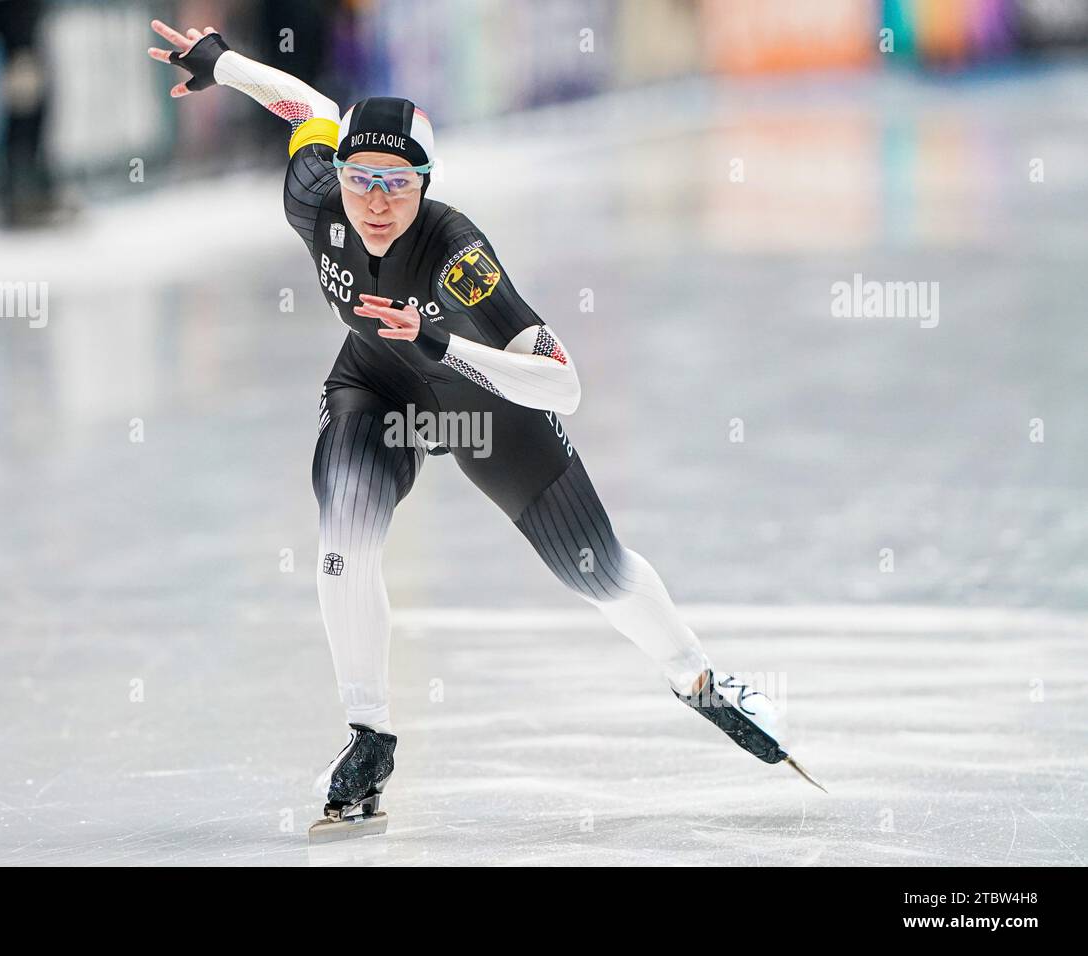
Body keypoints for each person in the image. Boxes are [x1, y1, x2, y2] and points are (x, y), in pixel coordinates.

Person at [147, 20, 821, 840]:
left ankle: (702, 680)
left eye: (400, 184)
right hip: (377, 388)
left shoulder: (458, 255)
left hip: (481, 400)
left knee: (597, 570)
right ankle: (368, 739)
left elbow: (564, 384)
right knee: (343, 538)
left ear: (426, 186)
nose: (377, 202)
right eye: (362, 179)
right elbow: (310, 108)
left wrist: (440, 340)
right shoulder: (316, 197)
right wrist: (225, 62)